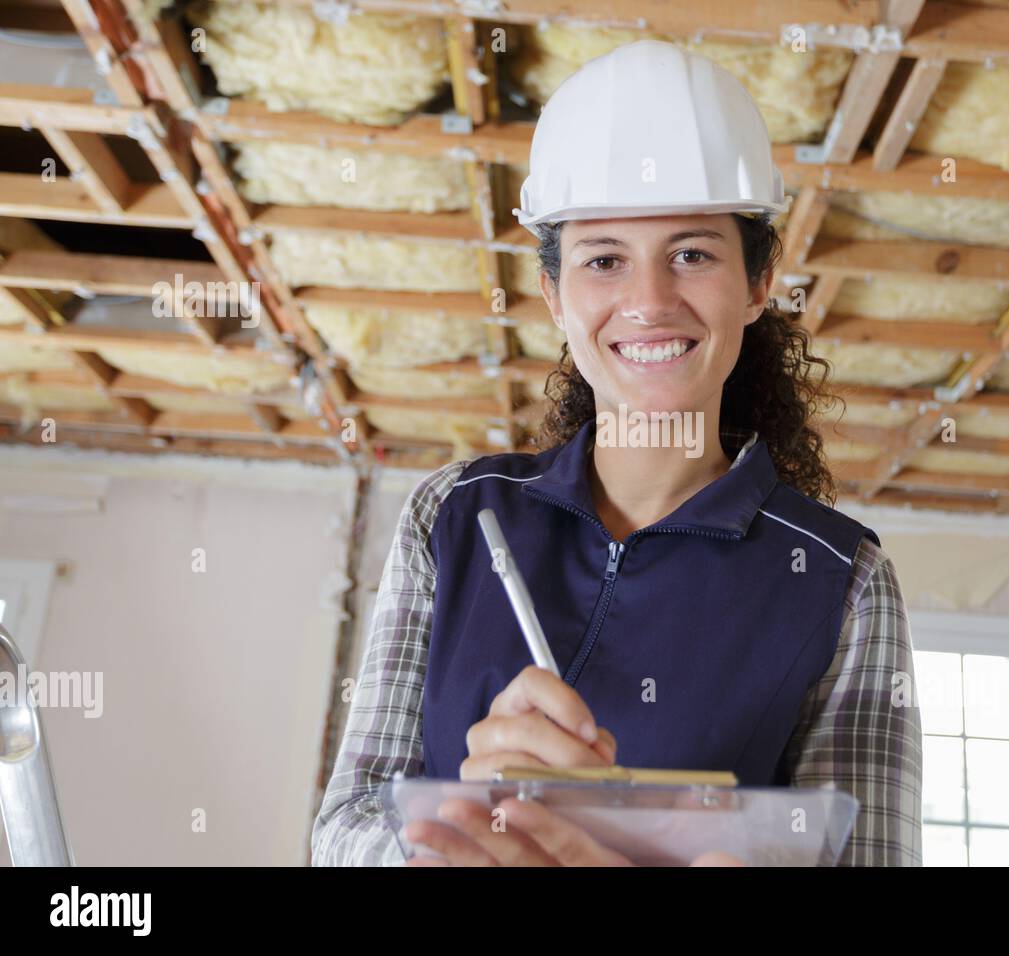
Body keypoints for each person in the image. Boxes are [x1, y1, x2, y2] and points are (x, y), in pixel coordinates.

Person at [312, 38, 922, 867]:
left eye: (692, 253)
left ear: (756, 283)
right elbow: (340, 834)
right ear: (556, 296)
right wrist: (456, 827)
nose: (649, 302)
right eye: (604, 259)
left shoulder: (842, 581)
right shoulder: (455, 516)